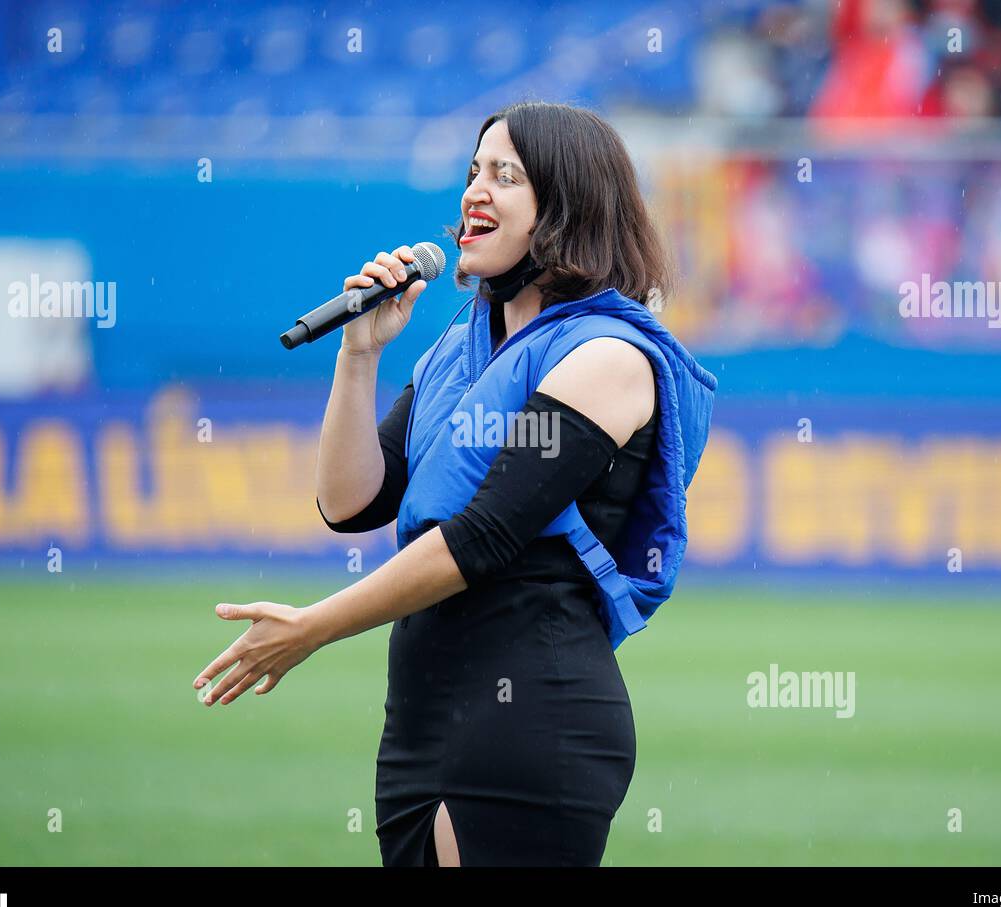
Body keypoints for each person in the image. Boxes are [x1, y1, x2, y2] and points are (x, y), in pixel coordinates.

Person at [192, 101, 717, 866]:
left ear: (568, 205)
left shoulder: (607, 356)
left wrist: (313, 627)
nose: (476, 190)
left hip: (530, 712)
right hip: (422, 718)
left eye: (506, 175)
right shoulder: (458, 351)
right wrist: (359, 355)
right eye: (474, 171)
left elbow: (483, 537)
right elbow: (350, 503)